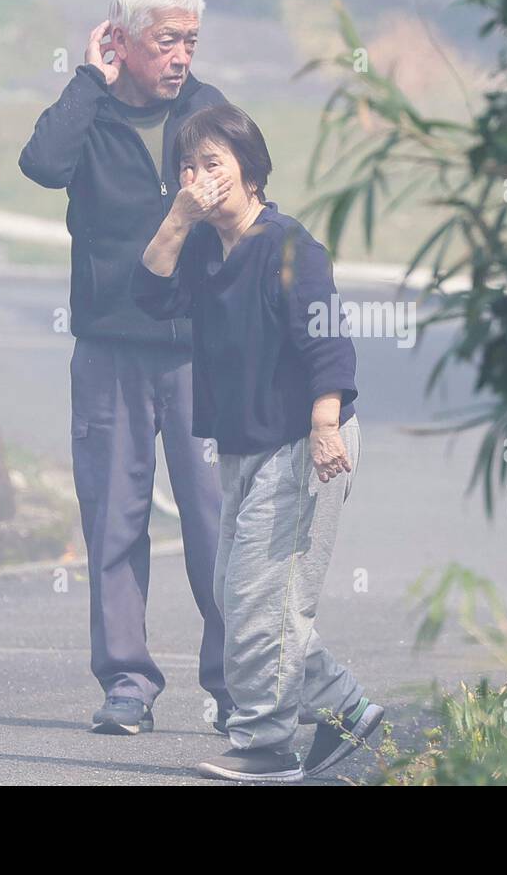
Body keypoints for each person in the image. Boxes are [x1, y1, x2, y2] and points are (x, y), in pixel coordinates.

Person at [133, 103, 384, 782]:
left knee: (258, 601)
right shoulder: (206, 251)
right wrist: (179, 216)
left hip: (305, 442)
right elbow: (149, 294)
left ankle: (267, 745)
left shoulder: (288, 247)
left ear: (251, 169)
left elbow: (329, 340)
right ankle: (345, 706)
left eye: (213, 163)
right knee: (242, 595)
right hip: (246, 449)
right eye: (188, 167)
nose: (199, 177)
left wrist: (326, 424)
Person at [18, 0, 235, 735]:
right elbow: (41, 165)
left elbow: (255, 216)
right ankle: (127, 685)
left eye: (190, 41)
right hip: (109, 348)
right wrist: (88, 77)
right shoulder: (91, 110)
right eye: (164, 40)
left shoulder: (211, 114)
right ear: (121, 40)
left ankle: (234, 684)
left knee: (216, 525)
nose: (180, 55)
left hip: (196, 354)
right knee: (113, 520)